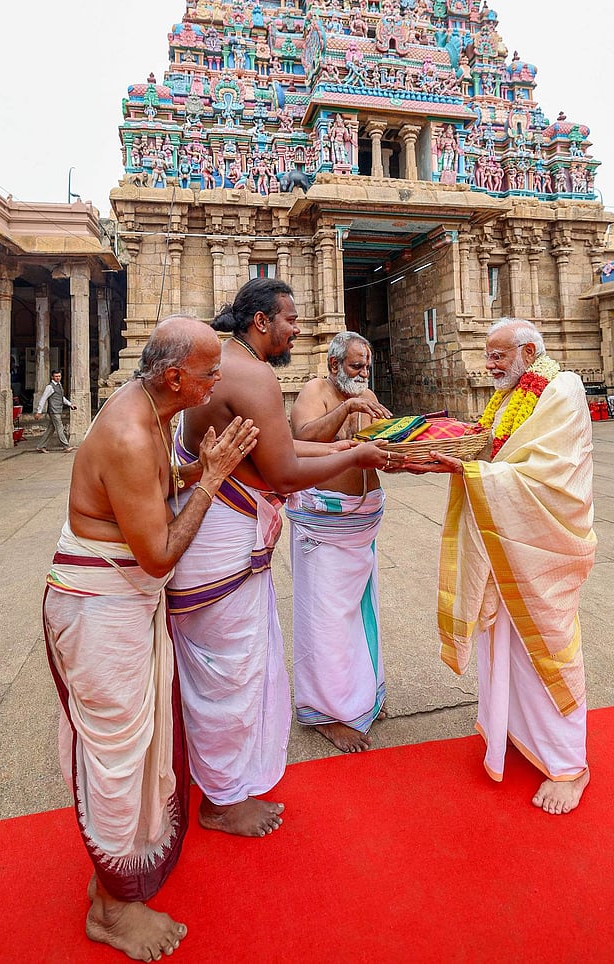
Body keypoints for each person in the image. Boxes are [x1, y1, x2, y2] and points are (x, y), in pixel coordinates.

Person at [42, 317, 258, 961]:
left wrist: (198, 471)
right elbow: (160, 554)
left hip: (121, 604)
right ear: (175, 377)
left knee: (139, 746)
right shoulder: (134, 431)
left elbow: (158, 491)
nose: (218, 381)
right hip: (98, 609)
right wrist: (214, 478)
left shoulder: (153, 412)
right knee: (117, 749)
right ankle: (110, 908)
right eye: (210, 371)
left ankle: (116, 874)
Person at [167, 280, 396, 838]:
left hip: (218, 529)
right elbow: (283, 471)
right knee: (233, 670)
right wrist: (359, 450)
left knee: (230, 666)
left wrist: (347, 449)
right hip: (220, 537)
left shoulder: (231, 363)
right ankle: (221, 801)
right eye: (291, 319)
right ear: (262, 322)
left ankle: (219, 778)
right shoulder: (254, 376)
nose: (297, 329)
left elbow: (277, 449)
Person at [418, 317, 595, 815]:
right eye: (489, 355)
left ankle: (569, 764)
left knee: (551, 642)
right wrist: (451, 456)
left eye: (499, 356)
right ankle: (515, 730)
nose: (490, 365)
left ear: (529, 351)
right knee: (503, 641)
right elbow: (493, 447)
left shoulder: (562, 389)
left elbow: (551, 476)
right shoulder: (506, 396)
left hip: (544, 543)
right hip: (505, 540)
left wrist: (474, 471)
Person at [288, 331, 393, 752]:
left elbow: (378, 441)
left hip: (360, 523)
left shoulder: (364, 393)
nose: (363, 373)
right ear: (334, 366)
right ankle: (326, 713)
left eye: (366, 366)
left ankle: (365, 692)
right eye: (355, 366)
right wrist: (348, 405)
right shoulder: (315, 391)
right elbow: (305, 439)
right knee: (326, 620)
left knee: (357, 613)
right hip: (324, 526)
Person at [35, 370, 77, 452]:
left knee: (51, 428)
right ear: (52, 377)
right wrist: (39, 411)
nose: (58, 378)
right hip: (53, 411)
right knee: (59, 427)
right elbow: (43, 399)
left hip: (58, 409)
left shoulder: (59, 385)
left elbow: (61, 398)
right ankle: (66, 446)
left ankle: (41, 446)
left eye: (59, 376)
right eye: (56, 376)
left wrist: (70, 404)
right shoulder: (50, 387)